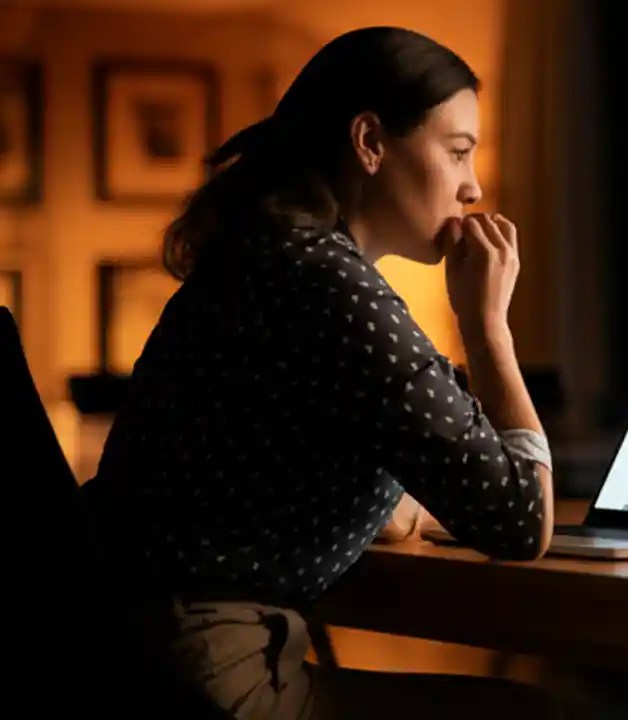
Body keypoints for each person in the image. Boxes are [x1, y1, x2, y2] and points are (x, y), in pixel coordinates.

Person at [80, 26, 557, 719]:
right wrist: (487, 326)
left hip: (115, 650)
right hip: (208, 676)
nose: (473, 186)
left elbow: (363, 499)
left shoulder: (266, 257)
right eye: (457, 152)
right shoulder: (333, 288)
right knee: (536, 715)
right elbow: (521, 520)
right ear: (369, 143)